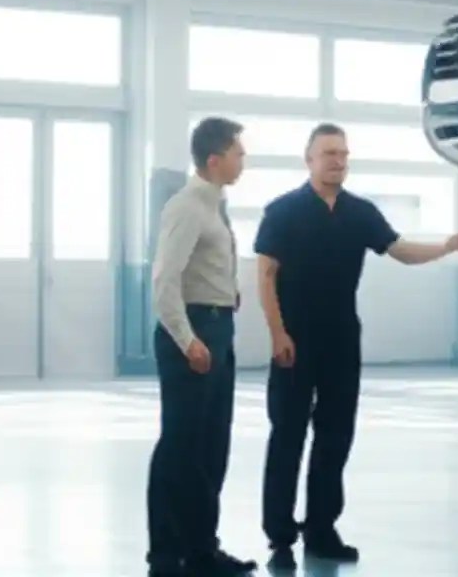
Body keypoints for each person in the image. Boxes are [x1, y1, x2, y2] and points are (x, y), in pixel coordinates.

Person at [254, 123, 458, 571]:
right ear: (309, 159)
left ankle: (322, 529)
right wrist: (278, 334)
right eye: (329, 153)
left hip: (341, 339)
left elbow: (398, 250)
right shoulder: (282, 211)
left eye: (343, 153)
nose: (338, 160)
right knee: (288, 435)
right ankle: (279, 533)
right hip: (295, 340)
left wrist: (446, 247)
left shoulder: (360, 213)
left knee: (335, 436)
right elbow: (265, 274)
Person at [147, 116, 257, 577]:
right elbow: (163, 282)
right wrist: (188, 339)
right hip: (190, 333)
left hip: (217, 328)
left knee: (211, 447)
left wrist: (227, 294)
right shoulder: (188, 205)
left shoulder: (216, 203)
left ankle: (201, 549)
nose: (243, 158)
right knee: (181, 446)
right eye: (238, 151)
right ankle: (168, 555)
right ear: (215, 160)